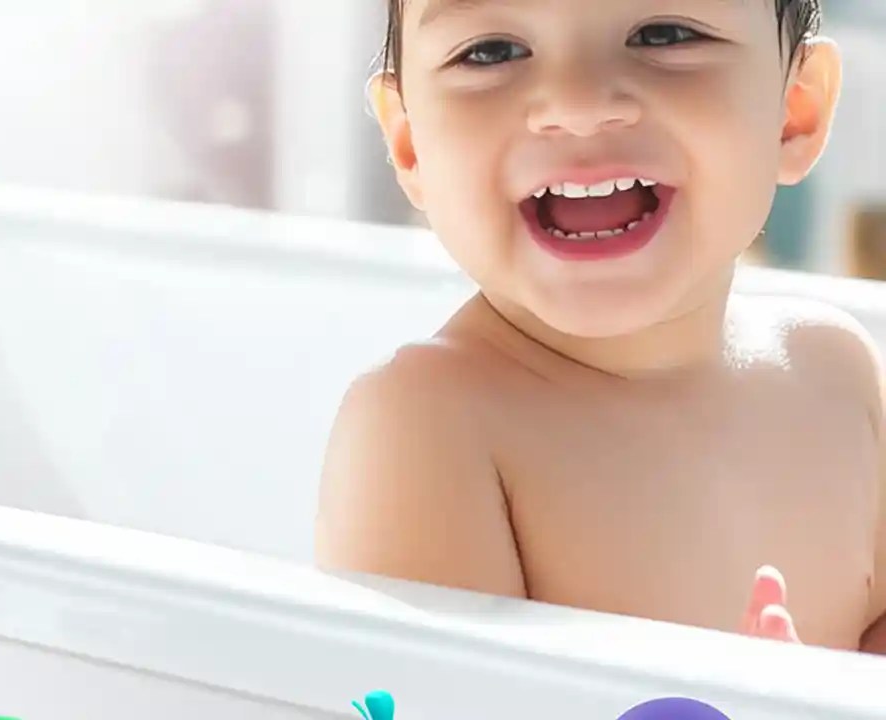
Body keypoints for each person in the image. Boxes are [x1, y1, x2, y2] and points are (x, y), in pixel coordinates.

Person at [314, 0, 886, 653]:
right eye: (491, 52)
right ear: (410, 144)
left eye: (664, 34)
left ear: (794, 111)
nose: (578, 104)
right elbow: (430, 692)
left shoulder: (838, 377)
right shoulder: (426, 428)